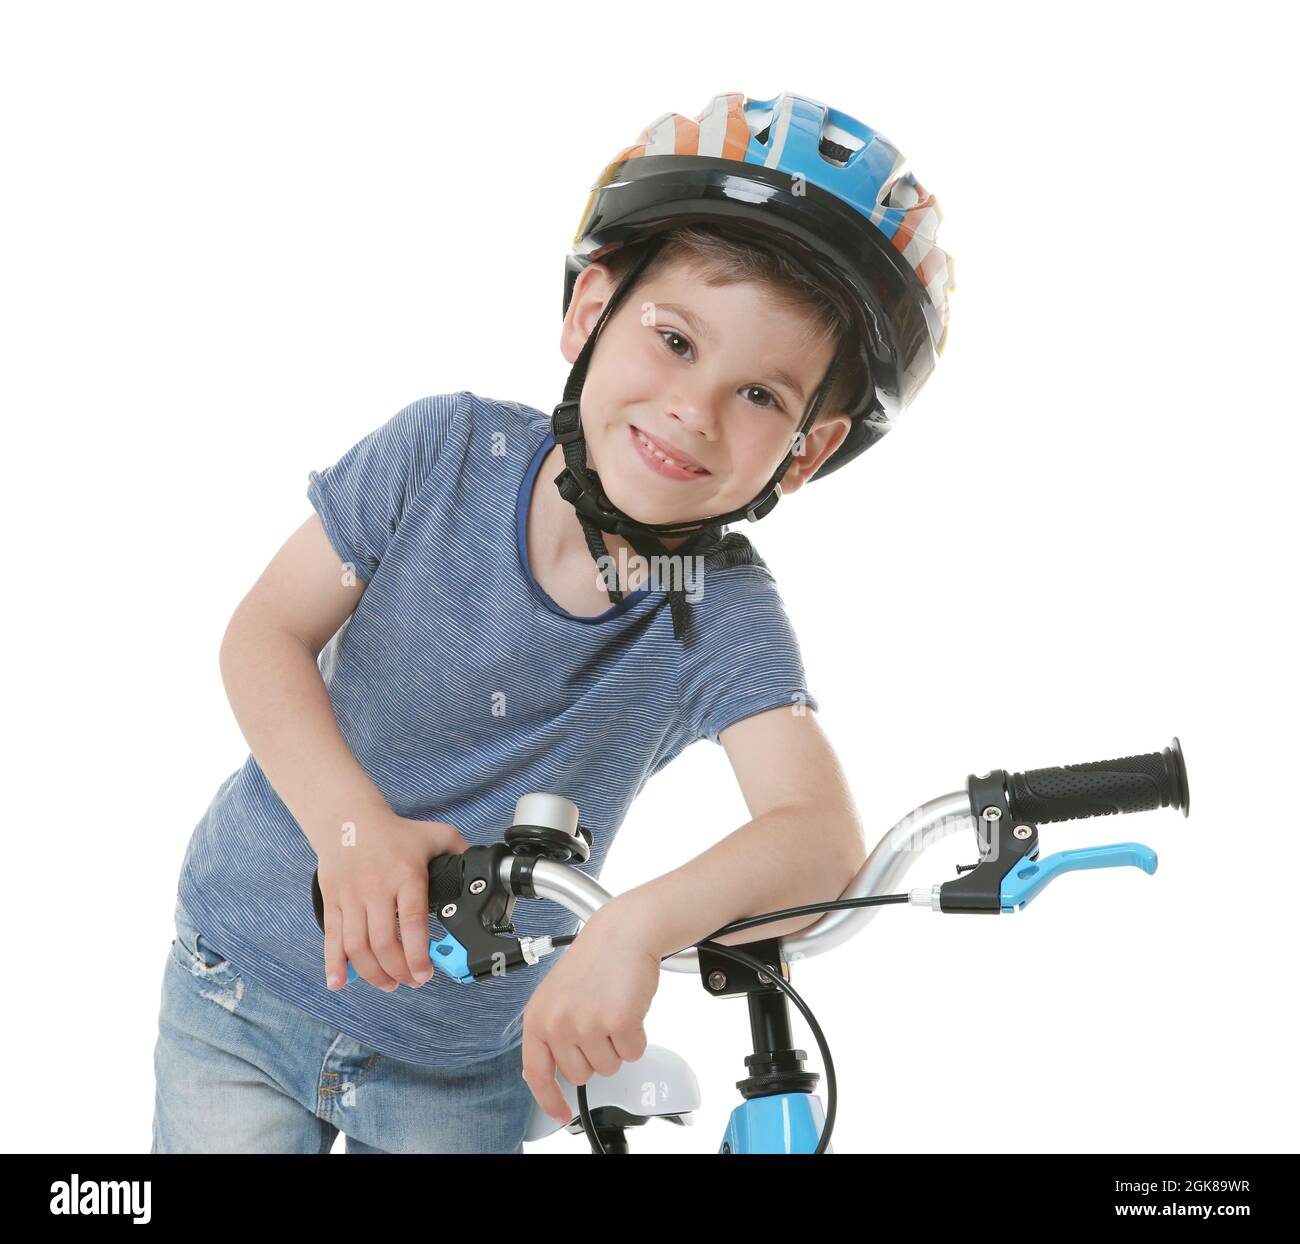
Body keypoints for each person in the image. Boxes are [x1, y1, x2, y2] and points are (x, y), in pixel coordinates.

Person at [150, 90, 955, 1153]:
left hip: (457, 1058)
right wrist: (353, 830)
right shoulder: (439, 453)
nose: (694, 408)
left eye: (761, 395)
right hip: (242, 977)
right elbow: (264, 635)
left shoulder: (715, 609)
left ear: (804, 453)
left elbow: (815, 833)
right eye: (673, 339)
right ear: (590, 312)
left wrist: (631, 924)